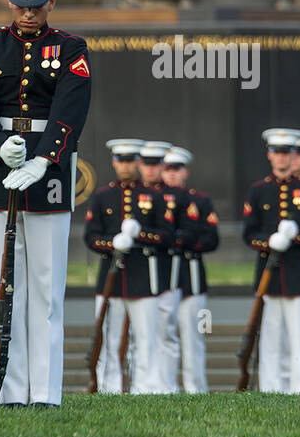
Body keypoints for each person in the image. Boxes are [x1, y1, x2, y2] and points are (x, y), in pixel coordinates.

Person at [0, 0, 92, 406]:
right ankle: (10, 390)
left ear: (51, 1)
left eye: (36, 4)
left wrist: (43, 159)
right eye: (21, 3)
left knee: (46, 287)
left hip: (49, 172)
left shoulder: (72, 48)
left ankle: (46, 393)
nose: (28, 13)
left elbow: (71, 108)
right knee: (3, 283)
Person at [84, 138, 173, 394]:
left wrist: (141, 234)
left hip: (142, 275)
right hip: (110, 276)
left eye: (130, 160)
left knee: (147, 338)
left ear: (137, 162)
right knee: (108, 338)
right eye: (120, 160)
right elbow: (90, 236)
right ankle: (108, 387)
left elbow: (166, 236)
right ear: (114, 162)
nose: (125, 165)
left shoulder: (153, 196)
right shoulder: (102, 197)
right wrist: (111, 243)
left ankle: (147, 388)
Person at [242, 129, 300, 393]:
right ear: (269, 154)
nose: (281, 158)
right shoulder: (258, 191)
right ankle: (270, 388)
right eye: (277, 152)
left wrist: (297, 236)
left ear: (293, 156)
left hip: (297, 273)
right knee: (270, 336)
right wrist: (268, 241)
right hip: (267, 275)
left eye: (286, 153)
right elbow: (248, 233)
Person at [161, 145, 220, 394]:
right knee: (163, 335)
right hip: (163, 276)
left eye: (177, 168)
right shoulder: (154, 199)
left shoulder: (200, 200)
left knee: (195, 336)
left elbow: (211, 239)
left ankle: (196, 389)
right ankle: (166, 388)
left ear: (186, 171)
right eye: (167, 168)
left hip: (192, 276)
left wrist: (185, 240)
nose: (172, 174)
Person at [135, 140, 179, 392]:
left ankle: (167, 384)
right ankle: (142, 385)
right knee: (141, 335)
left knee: (166, 332)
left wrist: (142, 234)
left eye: (156, 165)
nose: (151, 170)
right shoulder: (134, 194)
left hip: (166, 272)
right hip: (138, 273)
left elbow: (171, 234)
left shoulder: (169, 196)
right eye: (146, 164)